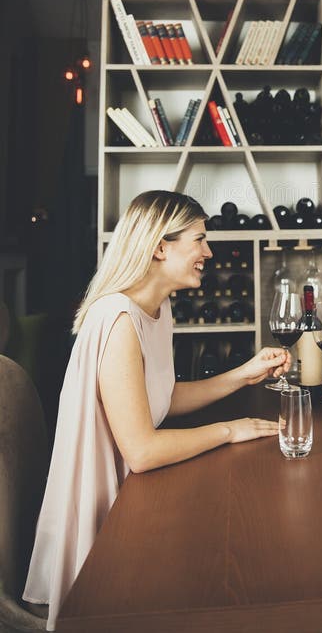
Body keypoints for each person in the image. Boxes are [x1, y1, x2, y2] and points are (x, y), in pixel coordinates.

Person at [23, 190, 290, 631]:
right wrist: (231, 430)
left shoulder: (156, 309)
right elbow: (142, 452)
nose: (209, 251)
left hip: (133, 495)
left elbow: (163, 397)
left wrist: (244, 374)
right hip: (107, 516)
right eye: (200, 239)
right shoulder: (119, 318)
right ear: (160, 246)